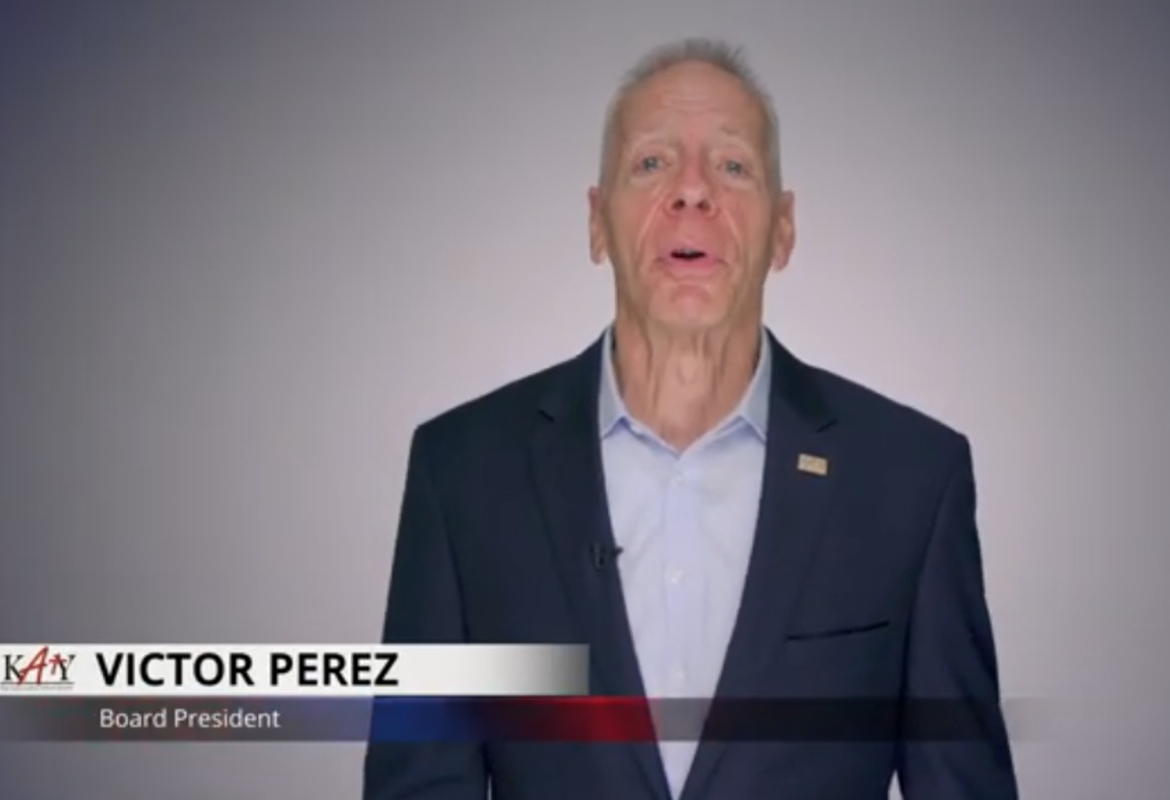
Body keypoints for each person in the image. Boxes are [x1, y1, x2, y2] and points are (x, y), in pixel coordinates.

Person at [363, 38, 1019, 800]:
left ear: (783, 229)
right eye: (651, 163)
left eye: (733, 166)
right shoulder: (461, 473)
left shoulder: (912, 480)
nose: (693, 191)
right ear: (597, 222)